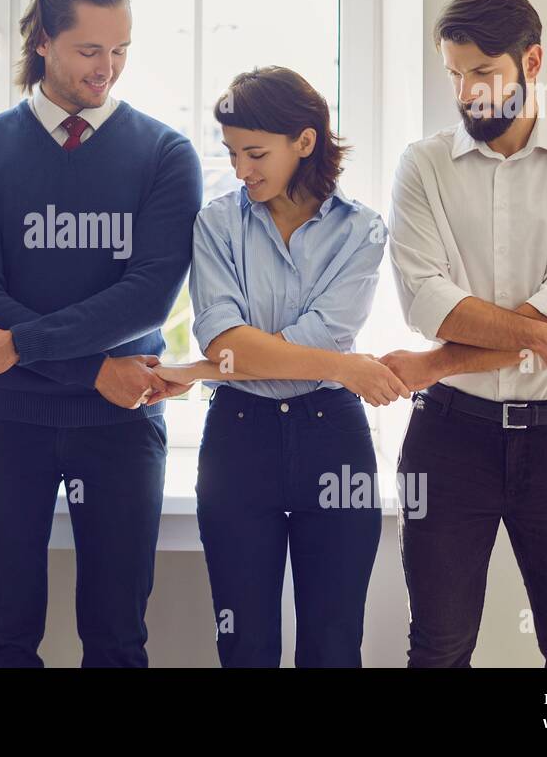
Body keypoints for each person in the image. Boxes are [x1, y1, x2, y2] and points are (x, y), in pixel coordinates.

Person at [0, 0, 204, 667]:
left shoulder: (166, 154)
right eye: (90, 50)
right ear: (44, 43)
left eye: (120, 50)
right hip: (8, 426)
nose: (107, 68)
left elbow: (149, 296)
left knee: (118, 638)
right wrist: (92, 371)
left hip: (121, 426)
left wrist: (23, 347)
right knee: (4, 636)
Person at [381, 0, 547, 667]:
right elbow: (427, 303)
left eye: (483, 73)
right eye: (455, 75)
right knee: (438, 648)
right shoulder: (423, 167)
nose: (467, 94)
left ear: (533, 61)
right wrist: (544, 340)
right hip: (448, 443)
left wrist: (432, 364)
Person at [156, 65, 407, 667]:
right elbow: (225, 342)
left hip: (334, 439)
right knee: (244, 645)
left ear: (305, 141)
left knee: (333, 643)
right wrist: (344, 367)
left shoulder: (363, 229)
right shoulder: (215, 224)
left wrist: (208, 369)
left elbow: (310, 335)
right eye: (232, 153)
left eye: (255, 152)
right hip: (239, 441)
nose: (241, 170)